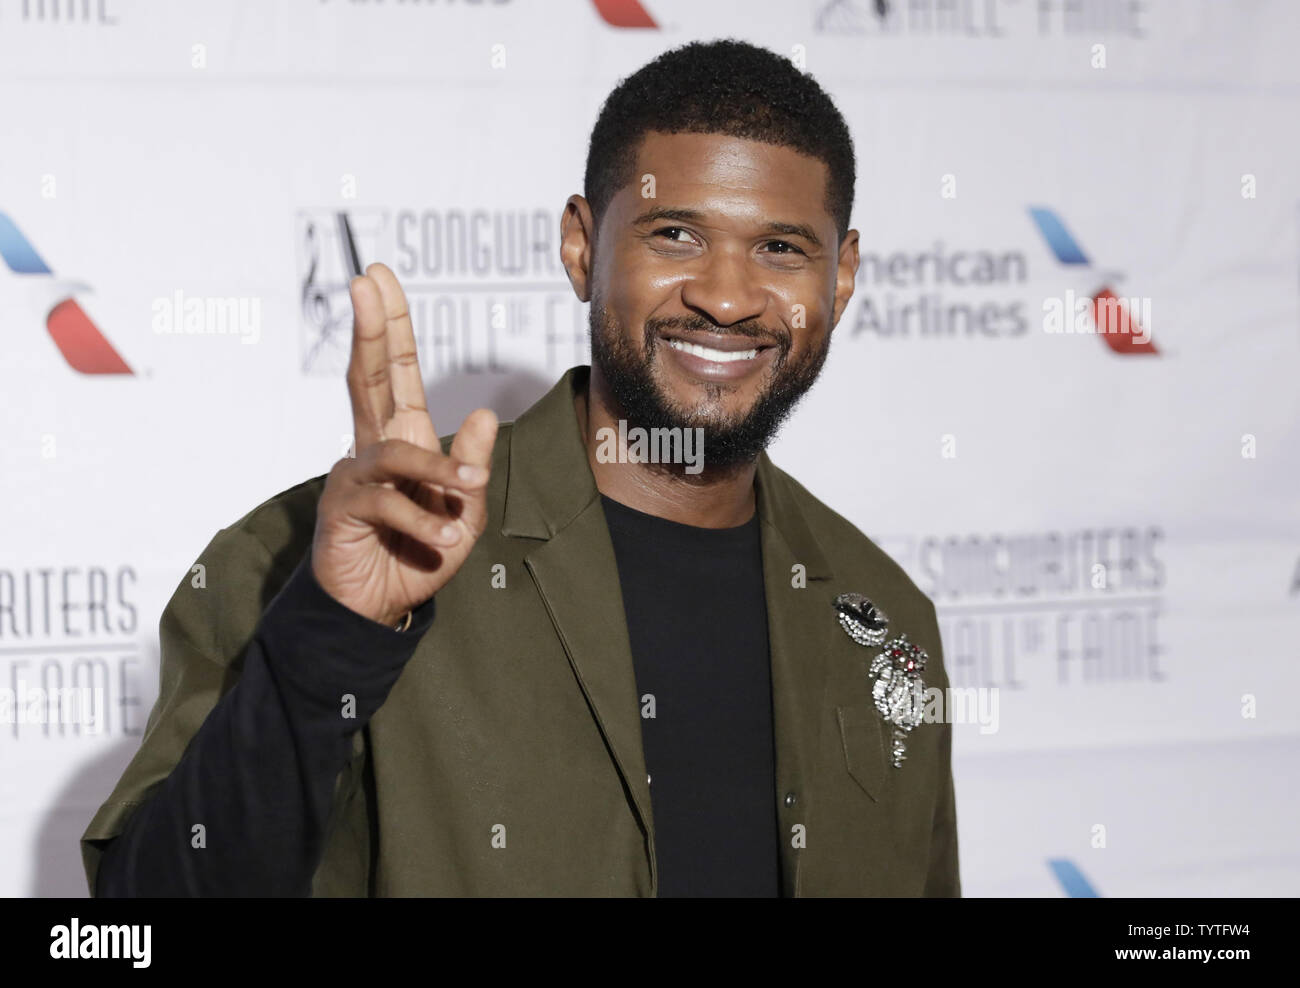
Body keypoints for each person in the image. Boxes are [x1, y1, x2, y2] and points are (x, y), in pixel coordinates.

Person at [82, 37, 959, 897]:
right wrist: (331, 640)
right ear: (582, 247)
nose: (726, 296)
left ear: (839, 280)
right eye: (677, 235)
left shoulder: (883, 617)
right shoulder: (315, 559)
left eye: (780, 249)